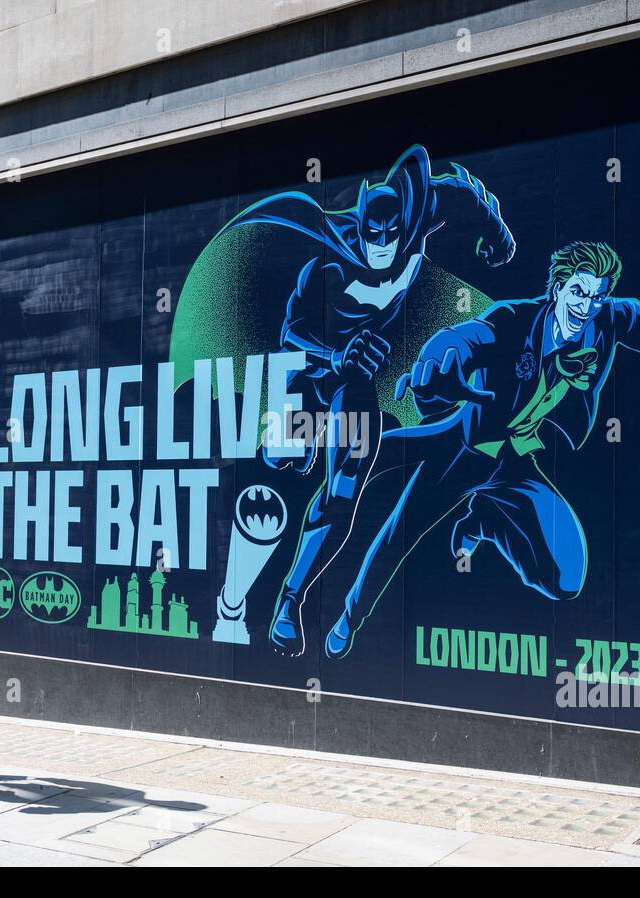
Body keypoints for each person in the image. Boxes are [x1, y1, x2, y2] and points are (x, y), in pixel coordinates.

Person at [324, 240, 640, 659]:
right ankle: (349, 618)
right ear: (557, 289)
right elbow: (467, 337)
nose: (585, 306)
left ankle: (485, 520)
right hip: (465, 449)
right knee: (399, 525)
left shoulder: (609, 319)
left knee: (567, 579)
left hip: (517, 461)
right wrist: (439, 358)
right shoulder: (514, 321)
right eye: (577, 291)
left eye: (595, 296)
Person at [220, 144, 516, 655]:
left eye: (390, 236)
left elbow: (466, 191)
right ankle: (290, 444)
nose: (380, 246)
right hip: (314, 371)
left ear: (406, 225)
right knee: (282, 456)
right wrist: (336, 356)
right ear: (357, 228)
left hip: (353, 386)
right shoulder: (328, 264)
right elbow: (291, 334)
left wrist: (497, 232)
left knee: (342, 493)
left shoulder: (424, 212)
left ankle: (290, 600)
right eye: (370, 236)